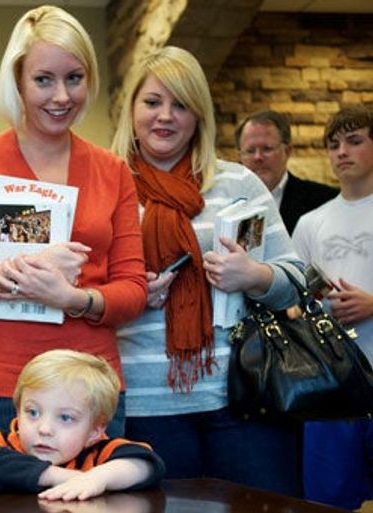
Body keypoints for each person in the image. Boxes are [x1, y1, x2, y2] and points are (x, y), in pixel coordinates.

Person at [0, 4, 147, 443]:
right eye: (44, 80)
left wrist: (74, 298)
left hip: (92, 391)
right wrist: (14, 273)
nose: (61, 97)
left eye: (74, 78)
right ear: (17, 81)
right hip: (3, 392)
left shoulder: (112, 171)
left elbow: (132, 290)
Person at [110, 47, 304, 496]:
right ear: (132, 109)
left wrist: (252, 276)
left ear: (200, 115)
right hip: (141, 405)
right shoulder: (107, 186)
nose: (165, 116)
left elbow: (297, 281)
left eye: (181, 105)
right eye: (153, 102)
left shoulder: (238, 183)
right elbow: (77, 293)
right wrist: (126, 292)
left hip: (241, 400)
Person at [291, 106, 373, 510]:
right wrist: (311, 305)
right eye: (334, 144)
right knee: (329, 503)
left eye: (355, 141)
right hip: (331, 383)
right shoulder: (310, 223)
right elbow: (291, 300)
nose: (342, 152)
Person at [0, 349, 164, 500]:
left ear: (95, 430)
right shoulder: (1, 441)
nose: (44, 429)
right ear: (18, 411)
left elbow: (146, 463)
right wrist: (60, 477)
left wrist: (99, 478)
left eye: (65, 418)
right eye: (32, 412)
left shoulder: (99, 452)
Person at [235, 110, 338, 234]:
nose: (258, 157)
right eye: (250, 151)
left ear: (288, 151)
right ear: (240, 156)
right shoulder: (225, 202)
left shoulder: (325, 201)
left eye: (267, 149)